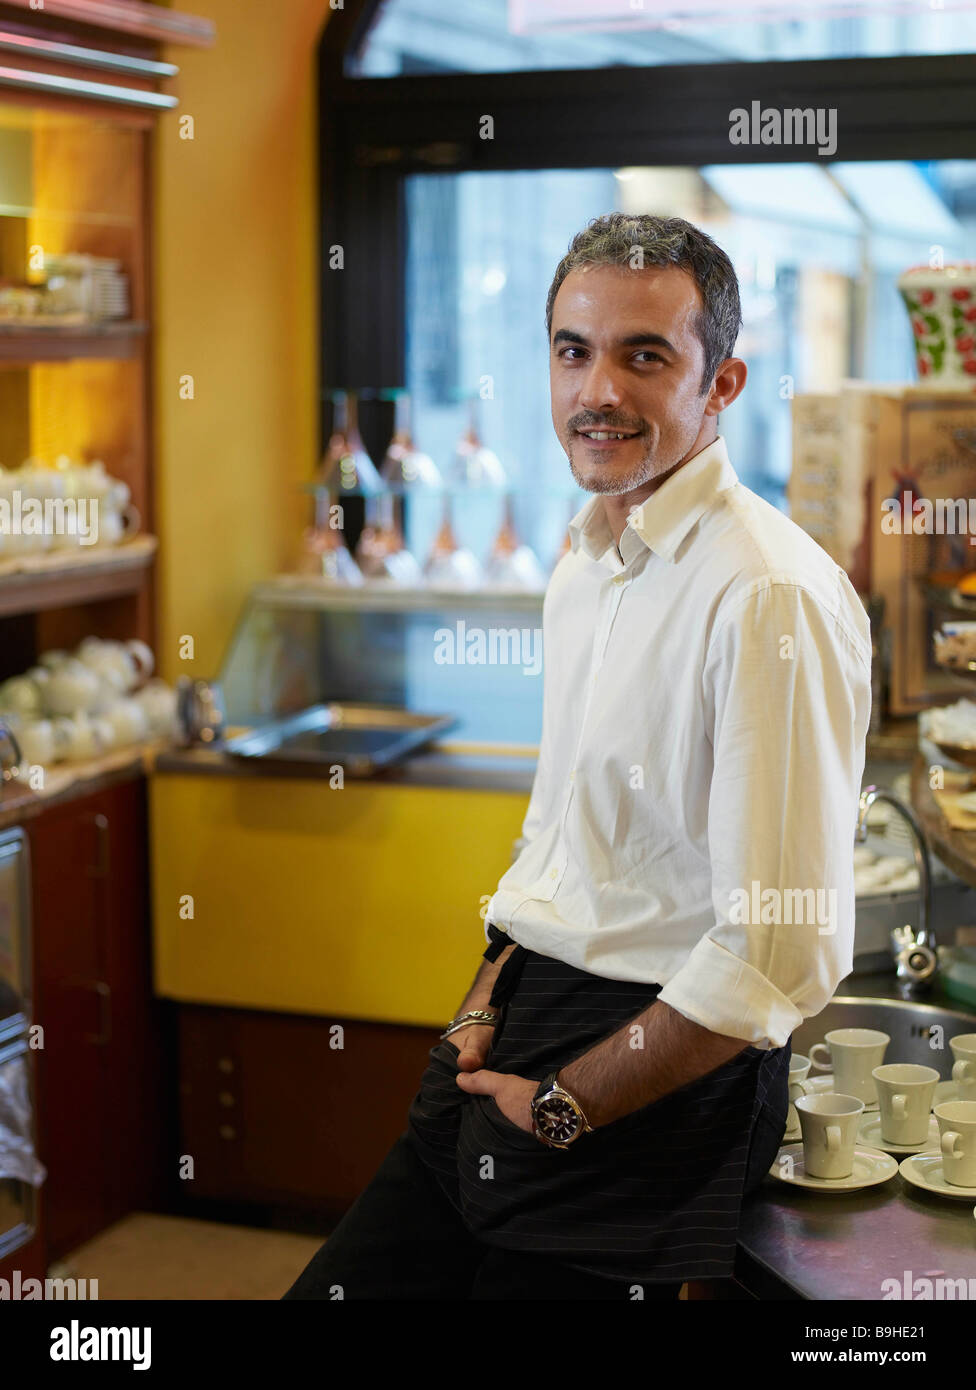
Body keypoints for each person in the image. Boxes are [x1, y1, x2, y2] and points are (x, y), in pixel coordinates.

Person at [283, 213, 872, 1301]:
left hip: (648, 1069)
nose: (598, 389)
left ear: (723, 382)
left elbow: (777, 949)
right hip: (512, 1013)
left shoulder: (766, 593)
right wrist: (479, 1002)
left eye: (644, 355)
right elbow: (566, 840)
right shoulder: (589, 555)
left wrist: (568, 1100)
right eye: (573, 350)